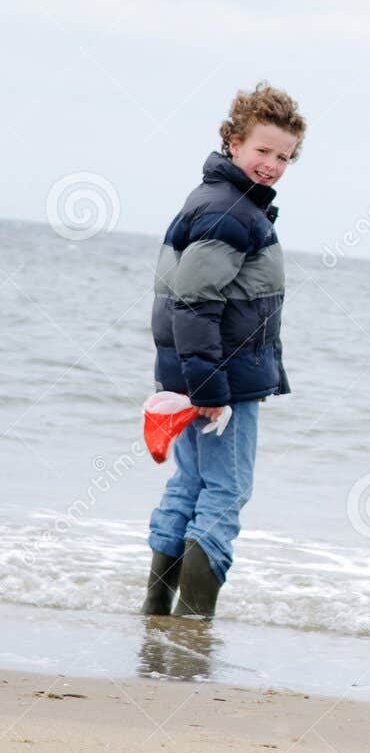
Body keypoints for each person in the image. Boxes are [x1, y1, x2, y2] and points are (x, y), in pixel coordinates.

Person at [142, 82, 306, 618]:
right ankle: (192, 622)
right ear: (233, 142)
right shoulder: (232, 213)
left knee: (190, 483)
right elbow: (193, 302)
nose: (272, 164)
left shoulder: (216, 201)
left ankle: (158, 610)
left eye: (284, 156)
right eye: (263, 150)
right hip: (221, 380)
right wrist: (209, 387)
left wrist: (192, 381)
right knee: (225, 491)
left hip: (196, 374)